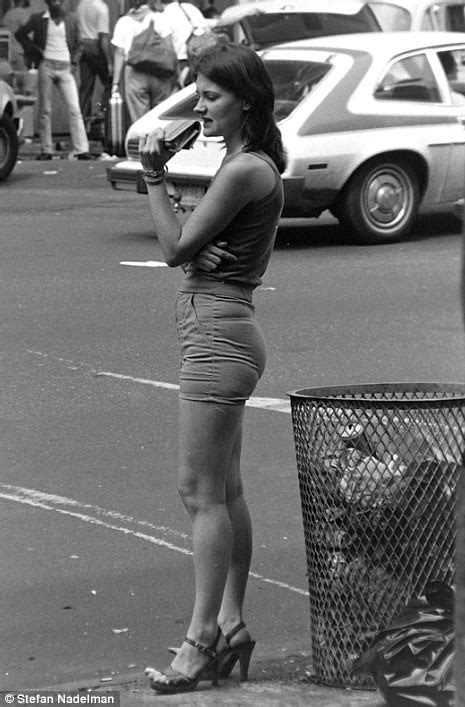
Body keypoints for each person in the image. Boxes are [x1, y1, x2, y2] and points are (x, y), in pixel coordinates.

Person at [139, 41, 285, 694]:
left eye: (211, 95)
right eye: (198, 92)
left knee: (199, 492)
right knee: (224, 490)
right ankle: (229, 626)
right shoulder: (243, 162)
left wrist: (152, 179)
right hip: (224, 329)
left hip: (219, 335)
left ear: (245, 101)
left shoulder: (245, 168)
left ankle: (200, 643)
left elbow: (174, 247)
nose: (200, 104)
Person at [15, 0, 92, 160]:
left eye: (58, 1)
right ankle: (47, 149)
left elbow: (80, 43)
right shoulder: (38, 19)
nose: (56, 4)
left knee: (74, 108)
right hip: (47, 65)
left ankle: (81, 149)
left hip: (65, 67)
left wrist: (73, 62)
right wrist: (34, 52)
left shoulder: (72, 18)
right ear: (48, 4)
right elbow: (20, 34)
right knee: (45, 110)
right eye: (53, 2)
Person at [111, 0, 175, 124]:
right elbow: (170, 48)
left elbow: (119, 53)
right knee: (162, 117)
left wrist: (116, 83)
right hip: (160, 72)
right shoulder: (160, 18)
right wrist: (175, 74)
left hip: (135, 74)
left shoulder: (124, 21)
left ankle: (143, 141)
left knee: (140, 121)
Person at [76, 0, 112, 124]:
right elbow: (103, 38)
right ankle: (103, 115)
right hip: (95, 47)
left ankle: (81, 122)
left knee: (86, 87)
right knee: (110, 82)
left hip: (82, 47)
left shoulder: (81, 5)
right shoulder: (101, 8)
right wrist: (109, 62)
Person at [160, 0, 208, 86]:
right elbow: (208, 30)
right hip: (205, 57)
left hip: (184, 63)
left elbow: (169, 48)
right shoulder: (190, 8)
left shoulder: (164, 16)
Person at [2, 0, 30, 71]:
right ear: (22, 2)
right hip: (19, 51)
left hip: (7, 51)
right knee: (21, 76)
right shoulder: (22, 13)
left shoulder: (7, 14)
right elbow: (29, 33)